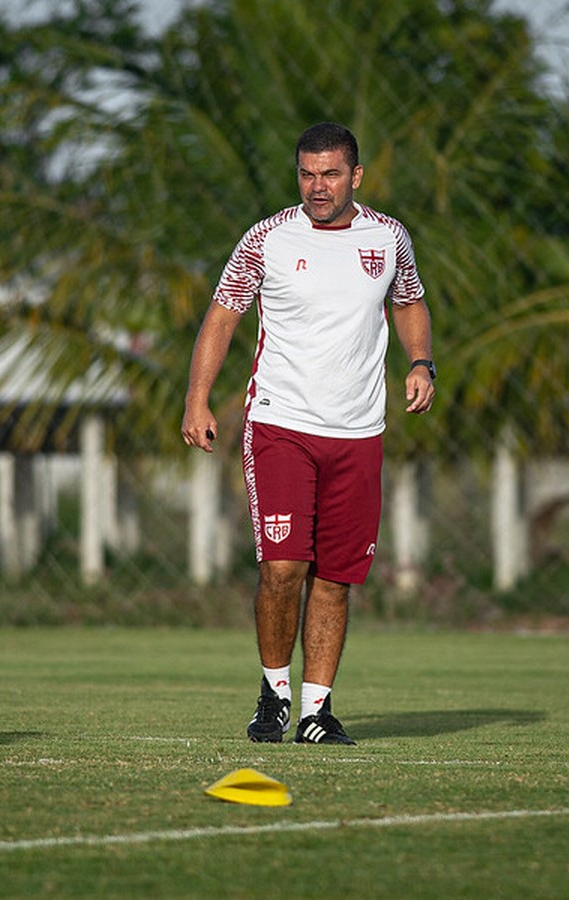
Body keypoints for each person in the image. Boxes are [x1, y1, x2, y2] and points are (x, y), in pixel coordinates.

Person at [181, 122, 434, 745]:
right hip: (280, 424)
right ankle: (274, 694)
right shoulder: (266, 238)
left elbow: (408, 301)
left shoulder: (388, 237)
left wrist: (421, 361)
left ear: (357, 176)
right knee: (284, 566)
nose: (317, 187)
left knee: (336, 577)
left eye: (330, 174)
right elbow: (222, 315)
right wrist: (197, 398)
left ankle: (318, 711)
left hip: (359, 431)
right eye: (306, 174)